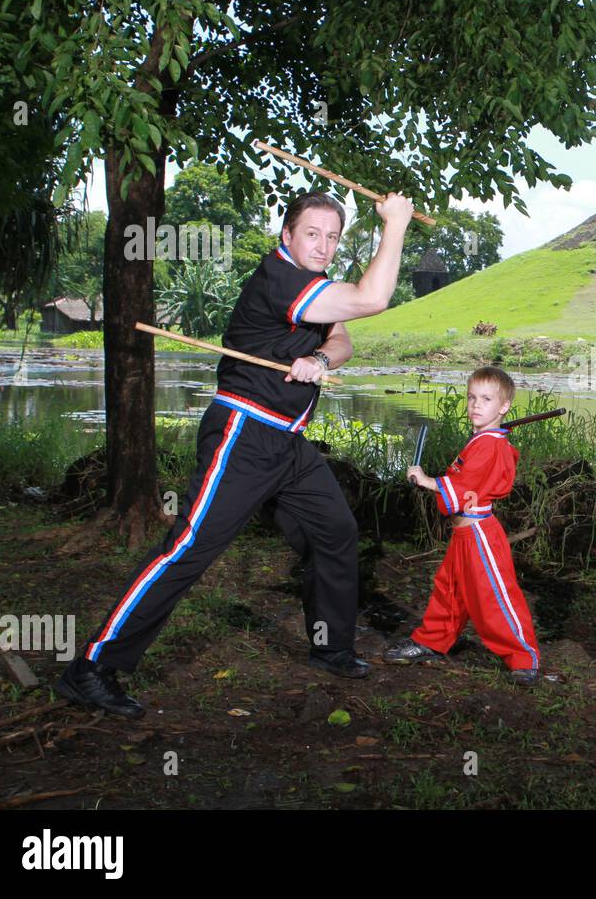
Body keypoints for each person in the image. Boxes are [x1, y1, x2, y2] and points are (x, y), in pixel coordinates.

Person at [57, 189, 415, 718]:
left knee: (335, 532)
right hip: (242, 437)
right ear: (286, 236)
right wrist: (397, 224)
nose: (322, 245)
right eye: (312, 233)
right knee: (188, 549)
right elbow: (371, 300)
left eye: (332, 237)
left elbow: (343, 336)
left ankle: (330, 645)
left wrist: (319, 358)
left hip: (288, 442)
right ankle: (90, 667)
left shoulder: (313, 285)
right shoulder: (280, 278)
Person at [383, 367, 541, 686]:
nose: (476, 405)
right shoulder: (483, 440)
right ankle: (432, 640)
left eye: (486, 399)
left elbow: (467, 487)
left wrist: (428, 481)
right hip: (463, 534)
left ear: (504, 406)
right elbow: (464, 478)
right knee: (450, 589)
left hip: (480, 533)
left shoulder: (489, 445)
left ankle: (524, 658)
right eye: (471, 398)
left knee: (493, 595)